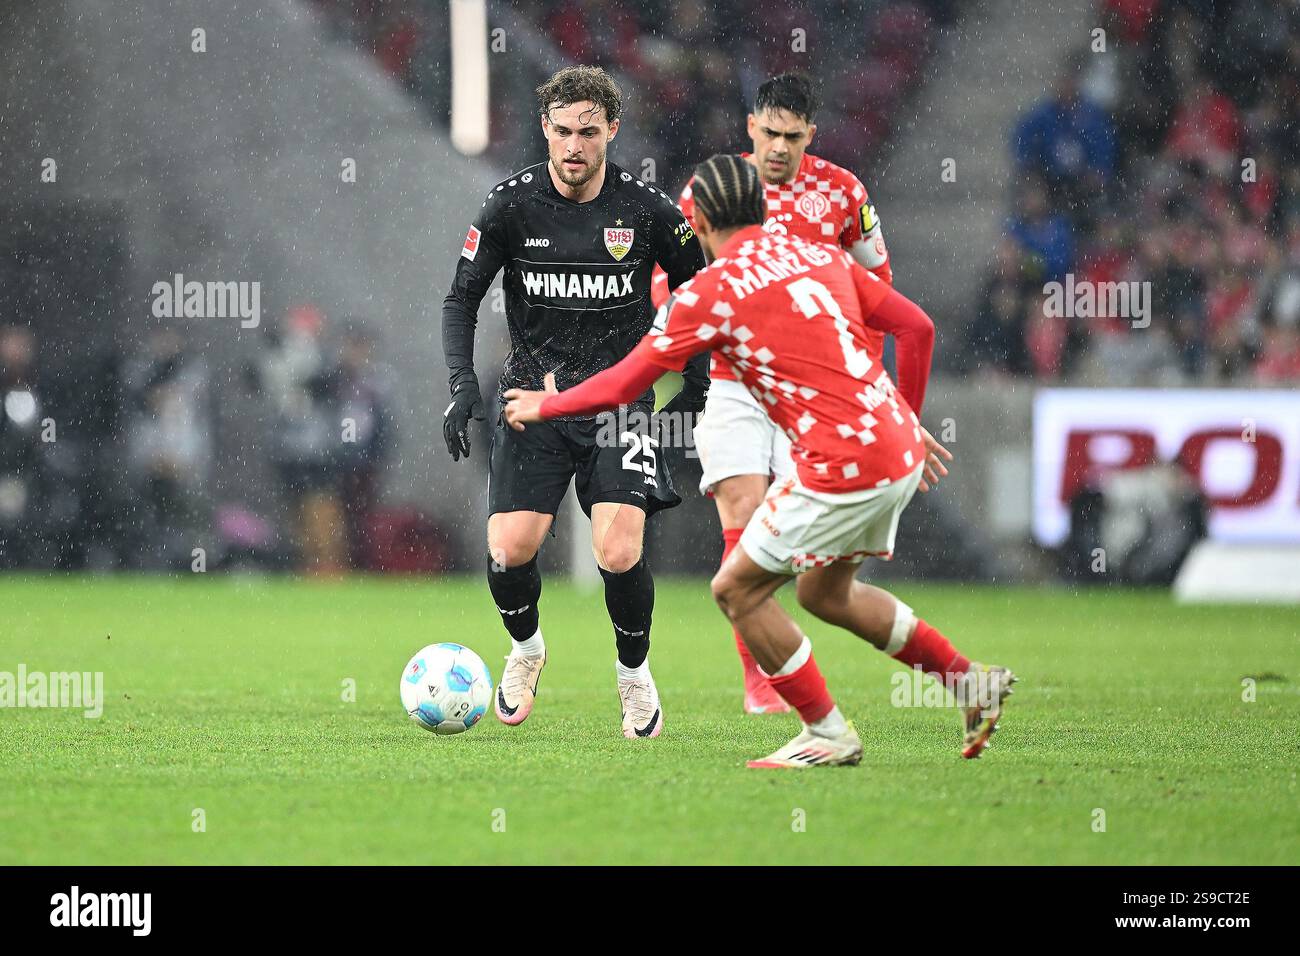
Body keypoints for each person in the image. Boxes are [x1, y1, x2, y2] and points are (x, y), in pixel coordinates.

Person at [505, 155, 1014, 768]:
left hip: (842, 464)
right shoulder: (822, 257)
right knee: (829, 595)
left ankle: (827, 732)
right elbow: (917, 327)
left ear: (700, 223)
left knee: (737, 591)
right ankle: (970, 684)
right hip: (895, 447)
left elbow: (620, 386)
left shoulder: (708, 294)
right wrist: (904, 415)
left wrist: (548, 403)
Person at [441, 65, 709, 739]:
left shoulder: (649, 214)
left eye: (589, 132)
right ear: (545, 130)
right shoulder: (509, 205)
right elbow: (461, 299)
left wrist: (698, 388)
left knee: (618, 550)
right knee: (509, 547)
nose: (573, 146)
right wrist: (460, 385)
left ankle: (633, 674)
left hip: (619, 403)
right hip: (532, 397)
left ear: (612, 132)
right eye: (561, 131)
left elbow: (703, 300)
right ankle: (527, 649)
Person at [649, 72, 897, 715]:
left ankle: (803, 667)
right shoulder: (714, 189)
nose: (779, 148)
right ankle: (763, 686)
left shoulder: (843, 193)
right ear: (749, 127)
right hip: (733, 382)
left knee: (803, 556)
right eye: (769, 133)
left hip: (811, 392)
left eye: (792, 136)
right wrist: (677, 347)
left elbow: (880, 294)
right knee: (742, 509)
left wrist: (869, 382)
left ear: (810, 134)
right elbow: (666, 278)